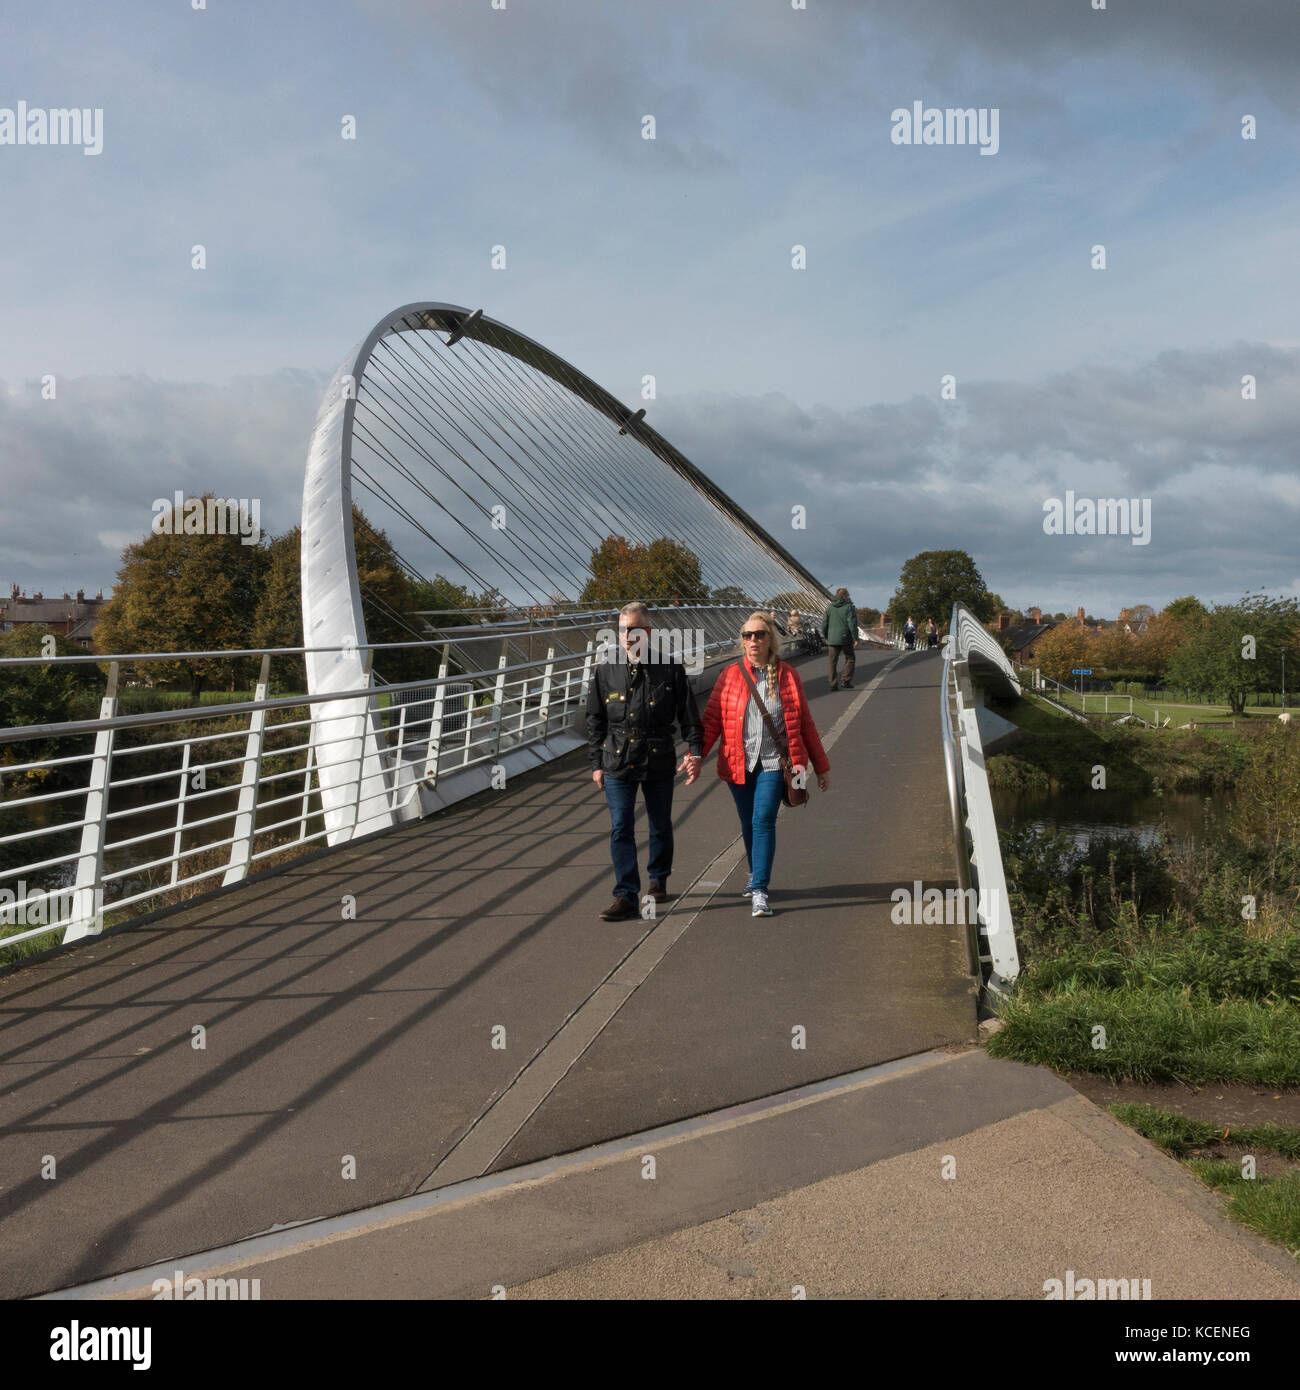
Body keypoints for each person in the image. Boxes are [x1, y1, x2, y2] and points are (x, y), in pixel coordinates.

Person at [701, 611, 830, 917]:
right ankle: (754, 873)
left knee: (763, 821)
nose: (753, 640)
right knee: (748, 823)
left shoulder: (788, 676)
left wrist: (820, 766)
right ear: (742, 641)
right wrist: (696, 755)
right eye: (747, 635)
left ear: (771, 638)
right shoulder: (730, 675)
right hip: (738, 763)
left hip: (775, 763)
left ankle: (759, 888)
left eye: (759, 634)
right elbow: (711, 721)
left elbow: (805, 724)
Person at [588, 602, 703, 921]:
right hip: (617, 758)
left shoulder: (670, 669)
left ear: (648, 632)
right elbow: (595, 719)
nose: (628, 636)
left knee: (660, 824)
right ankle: (625, 894)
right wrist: (596, 762)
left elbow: (689, 718)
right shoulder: (606, 669)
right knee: (621, 826)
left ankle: (658, 879)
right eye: (623, 629)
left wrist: (695, 751)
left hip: (657, 756)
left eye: (634, 629)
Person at [821, 587, 859, 690]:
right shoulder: (848, 607)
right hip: (845, 638)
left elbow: (824, 624)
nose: (849, 597)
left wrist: (826, 636)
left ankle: (833, 684)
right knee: (850, 658)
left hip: (832, 639)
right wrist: (856, 638)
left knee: (832, 662)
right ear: (845, 596)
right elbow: (852, 624)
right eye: (848, 595)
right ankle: (846, 681)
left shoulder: (829, 607)